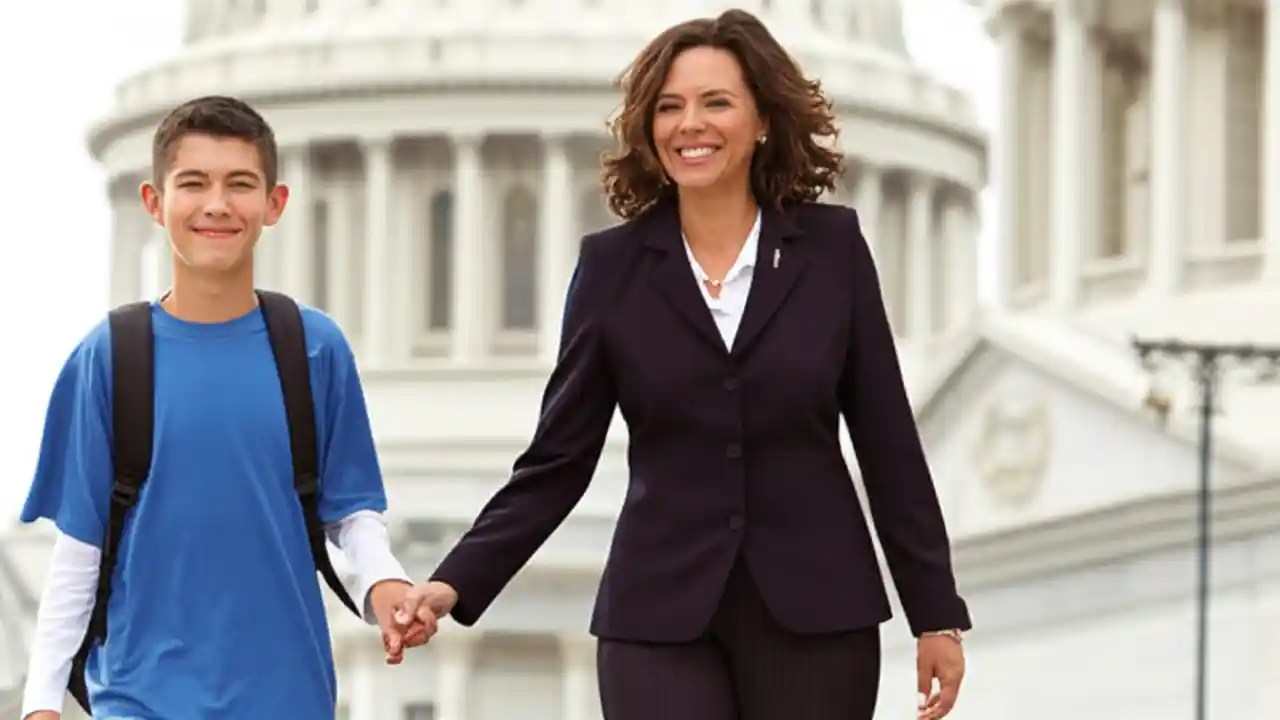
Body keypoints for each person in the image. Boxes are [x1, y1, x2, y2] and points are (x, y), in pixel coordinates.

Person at [399, 9, 968, 720]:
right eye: (669, 107)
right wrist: (454, 583)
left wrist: (935, 613)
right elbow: (556, 462)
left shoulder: (832, 250)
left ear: (761, 119)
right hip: (659, 616)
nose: (688, 125)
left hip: (816, 613)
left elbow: (888, 445)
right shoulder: (611, 269)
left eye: (715, 103)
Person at [18, 95, 428, 720]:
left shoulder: (314, 349)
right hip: (138, 695)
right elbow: (80, 549)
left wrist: (382, 581)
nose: (216, 204)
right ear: (154, 203)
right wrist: (42, 702)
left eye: (240, 184)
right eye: (193, 183)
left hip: (286, 694)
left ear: (275, 203)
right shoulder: (109, 356)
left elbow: (350, 511)